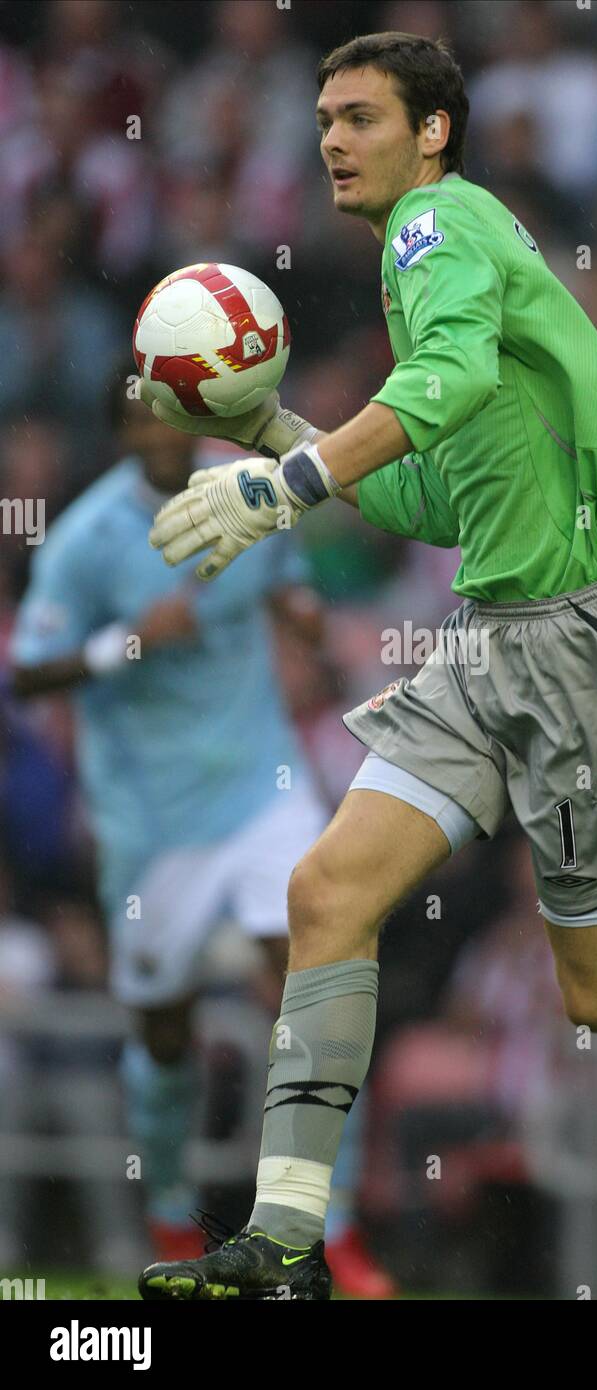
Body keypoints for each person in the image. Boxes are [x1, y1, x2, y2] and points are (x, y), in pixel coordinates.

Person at [138, 32, 597, 1301]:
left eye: (360, 115)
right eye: (323, 117)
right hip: (495, 639)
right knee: (327, 893)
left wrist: (285, 479)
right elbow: (430, 496)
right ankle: (288, 1241)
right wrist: (271, 430)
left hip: (587, 639)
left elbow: (443, 378)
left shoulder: (436, 229)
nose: (330, 138)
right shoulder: (436, 259)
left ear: (432, 133)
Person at [10, 371, 394, 1296]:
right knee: (166, 1039)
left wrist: (301, 616)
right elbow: (26, 677)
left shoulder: (246, 486)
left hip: (265, 796)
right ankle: (173, 1209)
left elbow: (287, 578)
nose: (159, 431)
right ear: (116, 432)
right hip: (152, 827)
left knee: (317, 984)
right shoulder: (86, 540)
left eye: (169, 413)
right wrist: (128, 642)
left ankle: (325, 1231)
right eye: (138, 417)